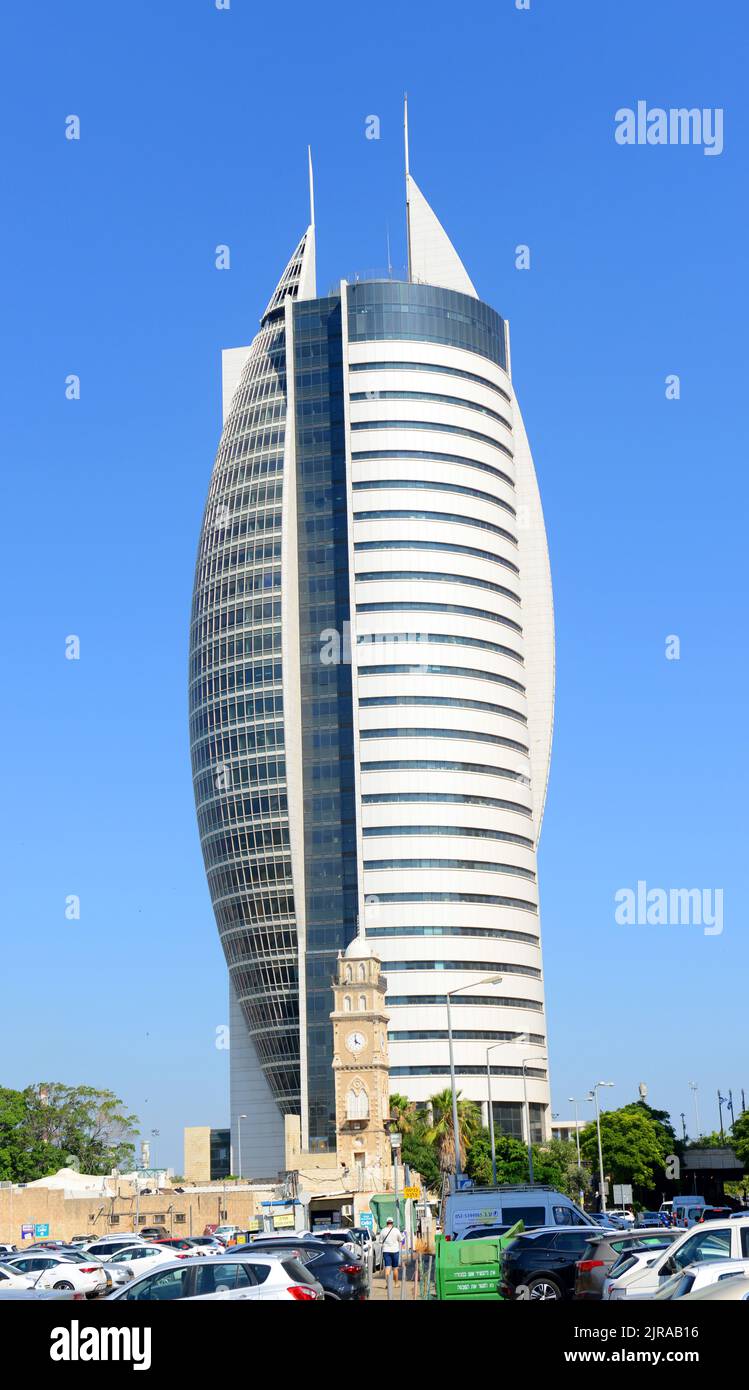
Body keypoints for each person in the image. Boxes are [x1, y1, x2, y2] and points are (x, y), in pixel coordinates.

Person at [380, 1217, 404, 1284]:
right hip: (395, 1251)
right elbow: (401, 1239)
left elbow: (380, 1241)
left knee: (387, 1267)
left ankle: (388, 1284)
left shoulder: (383, 1230)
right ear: (392, 1223)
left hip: (386, 1251)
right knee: (395, 1268)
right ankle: (396, 1283)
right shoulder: (396, 1230)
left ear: (386, 1223)